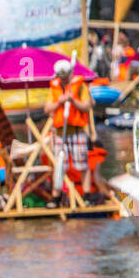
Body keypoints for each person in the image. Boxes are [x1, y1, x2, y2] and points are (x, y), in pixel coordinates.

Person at [43, 60, 93, 204]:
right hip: (60, 131)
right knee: (59, 165)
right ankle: (56, 197)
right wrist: (60, 101)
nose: (62, 79)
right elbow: (47, 109)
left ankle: (87, 195)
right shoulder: (55, 87)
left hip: (76, 130)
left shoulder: (80, 86)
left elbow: (87, 106)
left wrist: (73, 100)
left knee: (82, 163)